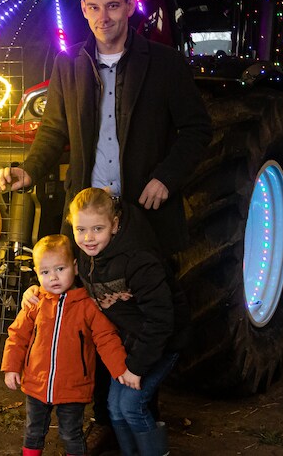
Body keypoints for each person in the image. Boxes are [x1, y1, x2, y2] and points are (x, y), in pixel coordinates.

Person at [0, 0, 212, 451]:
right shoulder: (69, 64)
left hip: (141, 214)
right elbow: (53, 131)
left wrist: (165, 177)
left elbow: (198, 129)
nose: (103, 16)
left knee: (138, 314)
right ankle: (105, 422)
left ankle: (138, 414)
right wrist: (30, 169)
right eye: (93, 7)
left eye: (113, 5)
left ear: (130, 7)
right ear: (83, 10)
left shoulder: (163, 64)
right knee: (89, 318)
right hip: (89, 217)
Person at [68, 187, 187, 456]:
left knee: (132, 406)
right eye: (80, 229)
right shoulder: (86, 255)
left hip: (162, 340)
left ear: (115, 224)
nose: (88, 238)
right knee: (114, 407)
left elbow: (161, 320)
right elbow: (56, 267)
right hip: (130, 339)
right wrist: (34, 289)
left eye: (97, 229)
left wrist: (136, 367)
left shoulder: (138, 260)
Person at [2, 235, 131, 456]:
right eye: (45, 272)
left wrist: (120, 369)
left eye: (60, 269)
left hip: (73, 387)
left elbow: (106, 337)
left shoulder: (87, 307)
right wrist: (11, 367)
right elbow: (17, 335)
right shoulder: (35, 304)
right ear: (37, 273)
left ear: (74, 267)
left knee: (71, 434)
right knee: (33, 432)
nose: (53, 277)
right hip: (36, 384)